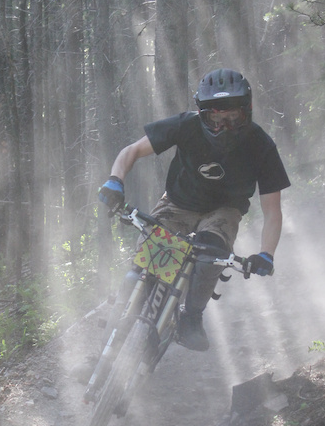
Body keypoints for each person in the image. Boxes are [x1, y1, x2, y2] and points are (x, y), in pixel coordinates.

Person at [98, 68, 291, 352]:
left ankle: (192, 317)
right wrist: (115, 181)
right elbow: (133, 151)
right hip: (178, 204)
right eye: (215, 118)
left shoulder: (261, 145)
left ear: (246, 111)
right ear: (202, 114)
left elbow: (273, 210)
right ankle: (105, 354)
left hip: (224, 211)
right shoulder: (186, 126)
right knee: (144, 271)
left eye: (232, 117)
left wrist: (266, 254)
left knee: (209, 255)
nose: (223, 126)